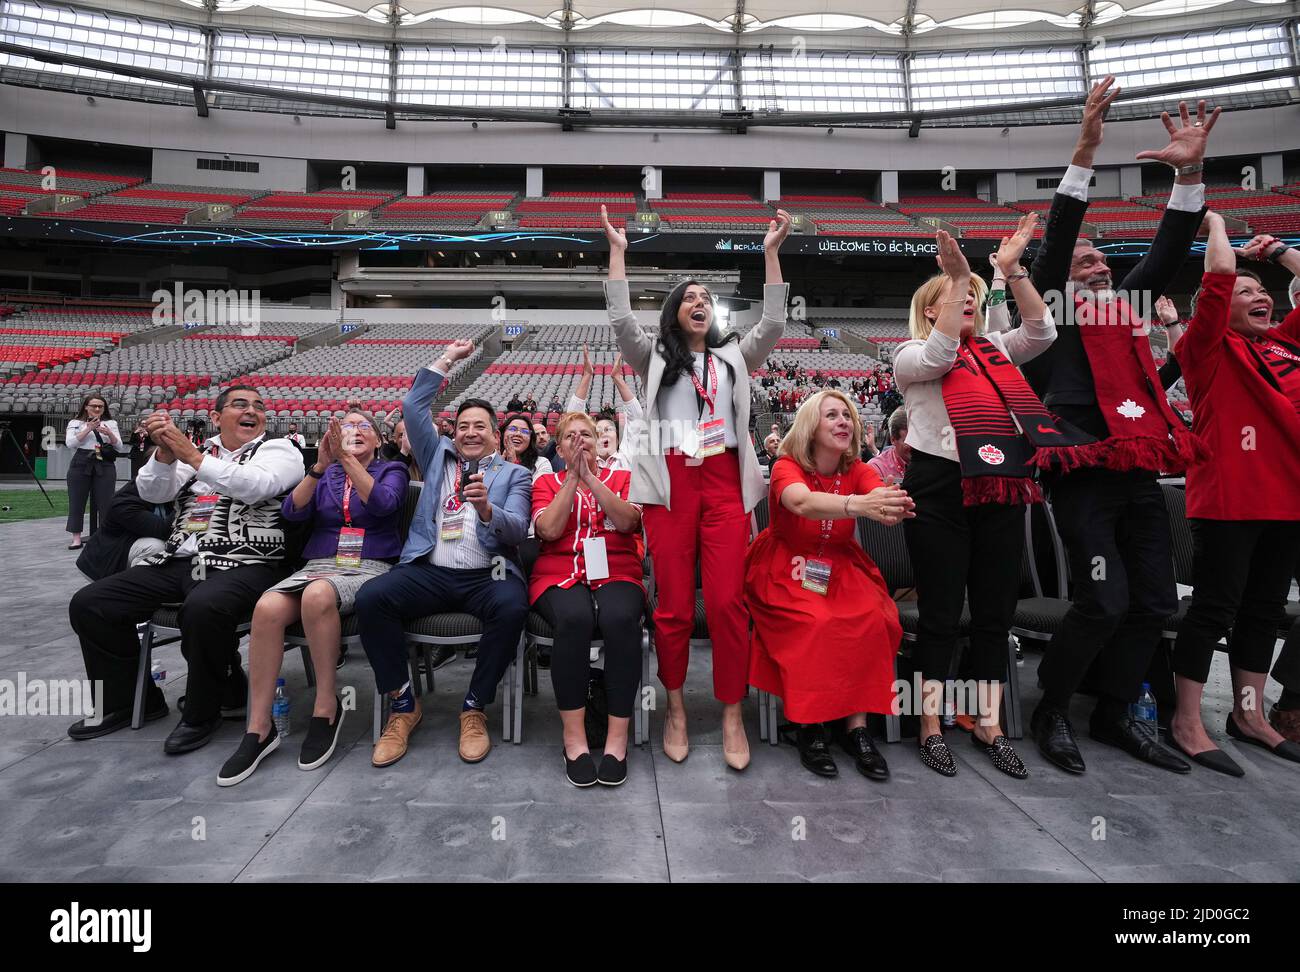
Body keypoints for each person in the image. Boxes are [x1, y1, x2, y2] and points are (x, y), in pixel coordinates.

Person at [1023, 84, 1218, 777]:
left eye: (1104, 263)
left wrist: (1187, 174)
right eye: (1087, 265)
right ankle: (1051, 709)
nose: (1100, 268)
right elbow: (1057, 241)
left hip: (1137, 473)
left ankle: (1111, 714)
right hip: (1081, 475)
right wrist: (1085, 148)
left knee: (1156, 603)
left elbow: (1168, 252)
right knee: (1102, 598)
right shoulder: (1047, 319)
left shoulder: (1125, 316)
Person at [602, 202, 792, 770]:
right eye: (689, 297)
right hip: (673, 487)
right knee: (675, 607)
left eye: (706, 298)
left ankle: (732, 711)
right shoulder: (655, 355)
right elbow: (619, 322)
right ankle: (677, 707)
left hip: (725, 484)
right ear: (673, 312)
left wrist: (771, 255)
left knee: (731, 604)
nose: (700, 302)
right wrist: (617, 253)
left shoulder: (736, 356)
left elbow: (776, 324)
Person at [896, 217, 1072, 779]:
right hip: (940, 487)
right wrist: (955, 280)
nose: (970, 302)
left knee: (995, 614)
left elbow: (1042, 332)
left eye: (974, 298)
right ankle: (929, 724)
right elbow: (940, 354)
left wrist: (1009, 271)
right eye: (957, 298)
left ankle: (988, 721)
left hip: (998, 486)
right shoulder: (910, 353)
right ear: (933, 309)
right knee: (943, 614)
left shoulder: (997, 349)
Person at [65, 385, 305, 751]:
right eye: (240, 404)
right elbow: (153, 493)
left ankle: (202, 712)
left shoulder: (279, 449)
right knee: (91, 603)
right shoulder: (198, 452)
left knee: (204, 607)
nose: (252, 411)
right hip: (180, 558)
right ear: (215, 417)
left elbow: (258, 486)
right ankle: (131, 701)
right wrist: (163, 455)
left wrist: (191, 455)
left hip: (249, 562)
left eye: (259, 406)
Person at [355, 339, 532, 767]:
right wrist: (448, 359)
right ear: (455, 431)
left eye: (480, 426)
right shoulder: (437, 455)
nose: (471, 432)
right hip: (431, 570)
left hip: (488, 572)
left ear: (496, 434)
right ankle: (402, 705)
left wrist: (488, 509)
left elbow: (519, 528)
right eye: (464, 425)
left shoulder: (516, 473)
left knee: (512, 607)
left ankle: (474, 707)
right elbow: (414, 406)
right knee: (370, 599)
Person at [1166, 221, 1300, 774]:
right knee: (1215, 609)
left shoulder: (1287, 343)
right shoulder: (1208, 349)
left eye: (1263, 291)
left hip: (1288, 501)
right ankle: (1187, 720)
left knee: (1265, 612)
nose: (1259, 295)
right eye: (1246, 293)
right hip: (1228, 500)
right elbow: (1219, 276)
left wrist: (1284, 254)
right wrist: (1217, 225)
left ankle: (1248, 715)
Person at [217, 410, 410, 785]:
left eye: (363, 427)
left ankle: (326, 705)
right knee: (268, 606)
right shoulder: (328, 472)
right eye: (346, 426)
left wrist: (348, 459)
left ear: (378, 440)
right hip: (320, 563)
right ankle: (259, 726)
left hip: (369, 564)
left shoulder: (391, 471)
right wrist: (321, 466)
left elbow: (384, 505)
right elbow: (292, 511)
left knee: (317, 596)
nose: (354, 431)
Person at [747, 390, 912, 780]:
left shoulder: (855, 467)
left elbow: (878, 494)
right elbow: (801, 502)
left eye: (847, 416)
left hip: (839, 564)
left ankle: (855, 729)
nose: (843, 422)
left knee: (874, 618)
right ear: (811, 427)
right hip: (788, 564)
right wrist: (858, 506)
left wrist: (890, 505)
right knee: (815, 621)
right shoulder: (788, 464)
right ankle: (810, 726)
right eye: (832, 415)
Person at [531, 411, 645, 786]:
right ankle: (574, 738)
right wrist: (572, 481)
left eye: (587, 436)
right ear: (560, 447)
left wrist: (591, 479)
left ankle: (616, 740)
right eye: (570, 437)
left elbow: (628, 522)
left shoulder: (624, 478)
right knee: (575, 620)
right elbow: (547, 531)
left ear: (598, 444)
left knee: (620, 619)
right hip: (558, 575)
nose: (579, 442)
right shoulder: (546, 481)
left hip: (617, 571)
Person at [75, 476, 174, 582]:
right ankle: (133, 590)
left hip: (127, 549)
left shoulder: (164, 494)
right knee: (156, 547)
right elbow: (162, 530)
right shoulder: (125, 502)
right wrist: (186, 504)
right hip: (103, 565)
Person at [65, 394, 121, 549]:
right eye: (93, 406)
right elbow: (70, 443)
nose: (97, 409)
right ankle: (76, 537)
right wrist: (88, 428)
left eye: (100, 406)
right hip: (81, 460)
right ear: (86, 407)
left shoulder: (111, 423)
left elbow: (119, 446)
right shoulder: (75, 423)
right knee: (77, 500)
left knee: (106, 501)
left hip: (104, 461)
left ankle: (105, 536)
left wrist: (109, 433)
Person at [501, 412, 553, 481]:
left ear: (530, 439)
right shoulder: (490, 458)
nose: (518, 434)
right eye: (512, 429)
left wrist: (513, 465)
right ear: (502, 433)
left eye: (525, 431)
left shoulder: (541, 463)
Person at [868, 407, 910, 485]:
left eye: (917, 440)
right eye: (908, 441)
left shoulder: (931, 461)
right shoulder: (876, 468)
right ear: (893, 440)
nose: (915, 446)